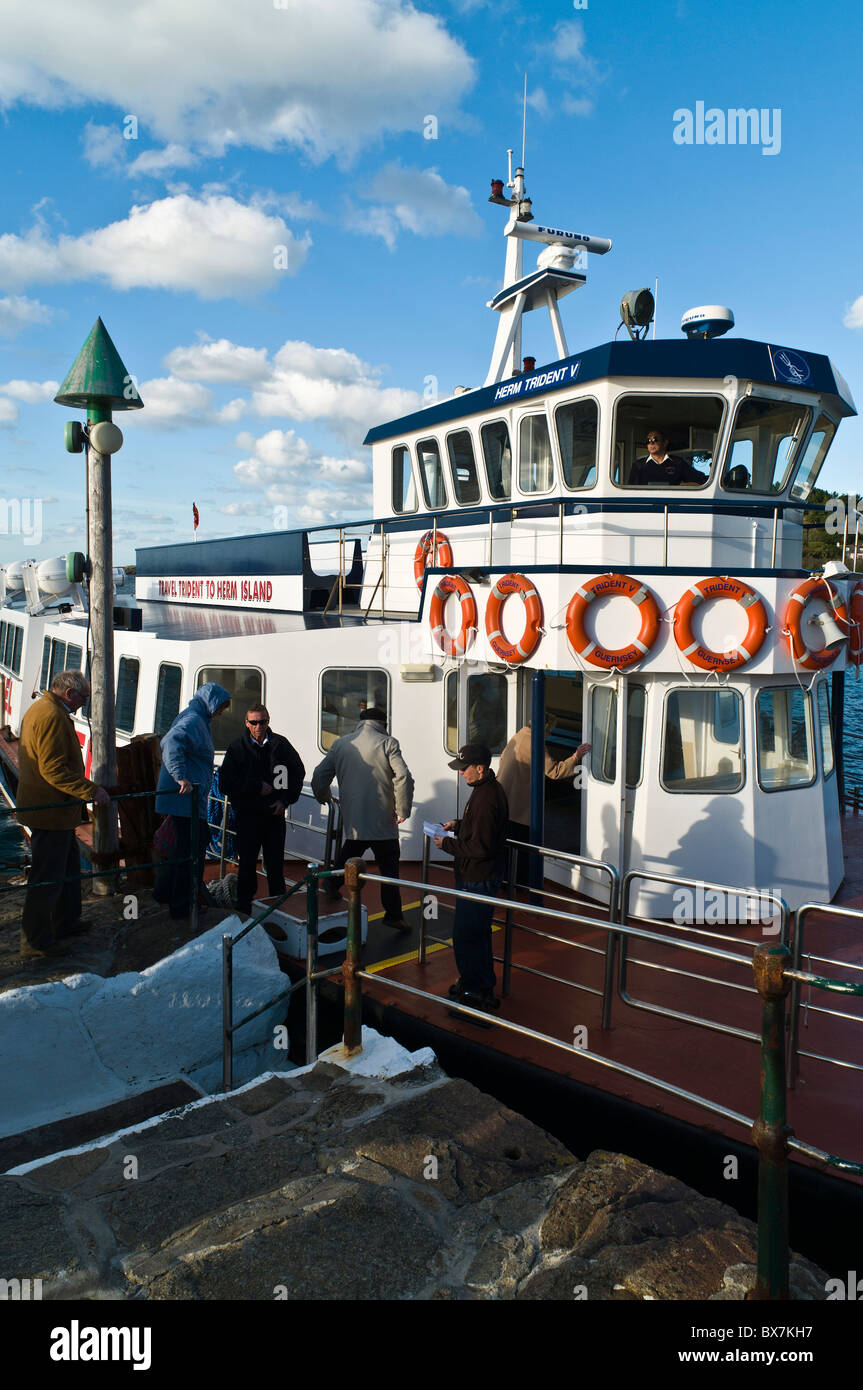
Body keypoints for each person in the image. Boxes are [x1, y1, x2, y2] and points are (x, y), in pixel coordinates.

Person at [16, 669, 111, 957]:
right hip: (50, 812)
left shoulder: (46, 710)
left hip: (57, 813)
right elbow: (53, 769)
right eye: (83, 697)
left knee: (68, 870)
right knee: (47, 878)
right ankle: (35, 941)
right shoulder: (51, 717)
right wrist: (91, 791)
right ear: (69, 694)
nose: (84, 703)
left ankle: (65, 922)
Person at [312, 706, 413, 930]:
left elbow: (320, 776)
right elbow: (403, 776)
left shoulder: (341, 743)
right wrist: (403, 809)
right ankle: (394, 915)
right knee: (389, 870)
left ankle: (331, 883)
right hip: (383, 820)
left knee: (349, 853)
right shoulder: (388, 743)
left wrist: (324, 797)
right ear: (382, 724)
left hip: (355, 820)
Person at [433, 743, 509, 1014]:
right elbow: (482, 832)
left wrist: (447, 844)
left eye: (464, 768)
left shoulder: (485, 797)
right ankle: (479, 985)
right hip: (481, 876)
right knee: (477, 934)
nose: (461, 773)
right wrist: (460, 825)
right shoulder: (486, 791)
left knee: (466, 935)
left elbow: (481, 847)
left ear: (480, 768)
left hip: (477, 877)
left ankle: (474, 991)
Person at [154, 681, 231, 919]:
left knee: (185, 848)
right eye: (220, 707)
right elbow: (171, 741)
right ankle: (180, 905)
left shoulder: (195, 716)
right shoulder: (195, 721)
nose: (220, 713)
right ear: (212, 703)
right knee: (191, 849)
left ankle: (165, 893)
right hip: (185, 800)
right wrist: (181, 777)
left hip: (185, 802)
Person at [218, 704, 305, 914]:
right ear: (247, 723)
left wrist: (285, 801)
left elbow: (297, 772)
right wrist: (256, 787)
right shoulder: (237, 747)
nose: (259, 726)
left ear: (268, 721)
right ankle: (244, 909)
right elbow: (226, 783)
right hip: (248, 816)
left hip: (274, 817)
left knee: (275, 866)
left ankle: (279, 909)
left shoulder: (280, 745)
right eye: (254, 722)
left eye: (263, 722)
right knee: (247, 865)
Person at [497, 718, 590, 884]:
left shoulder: (518, 735)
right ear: (545, 729)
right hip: (520, 809)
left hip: (504, 801)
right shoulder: (535, 742)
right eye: (550, 731)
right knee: (523, 849)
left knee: (507, 848)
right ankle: (520, 885)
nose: (549, 735)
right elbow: (554, 771)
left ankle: (506, 882)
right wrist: (576, 756)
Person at [629, 430, 706, 486]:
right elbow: (631, 490)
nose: (651, 443)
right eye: (648, 441)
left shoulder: (678, 463)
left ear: (665, 443)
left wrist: (682, 486)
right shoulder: (638, 465)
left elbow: (701, 482)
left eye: (655, 440)